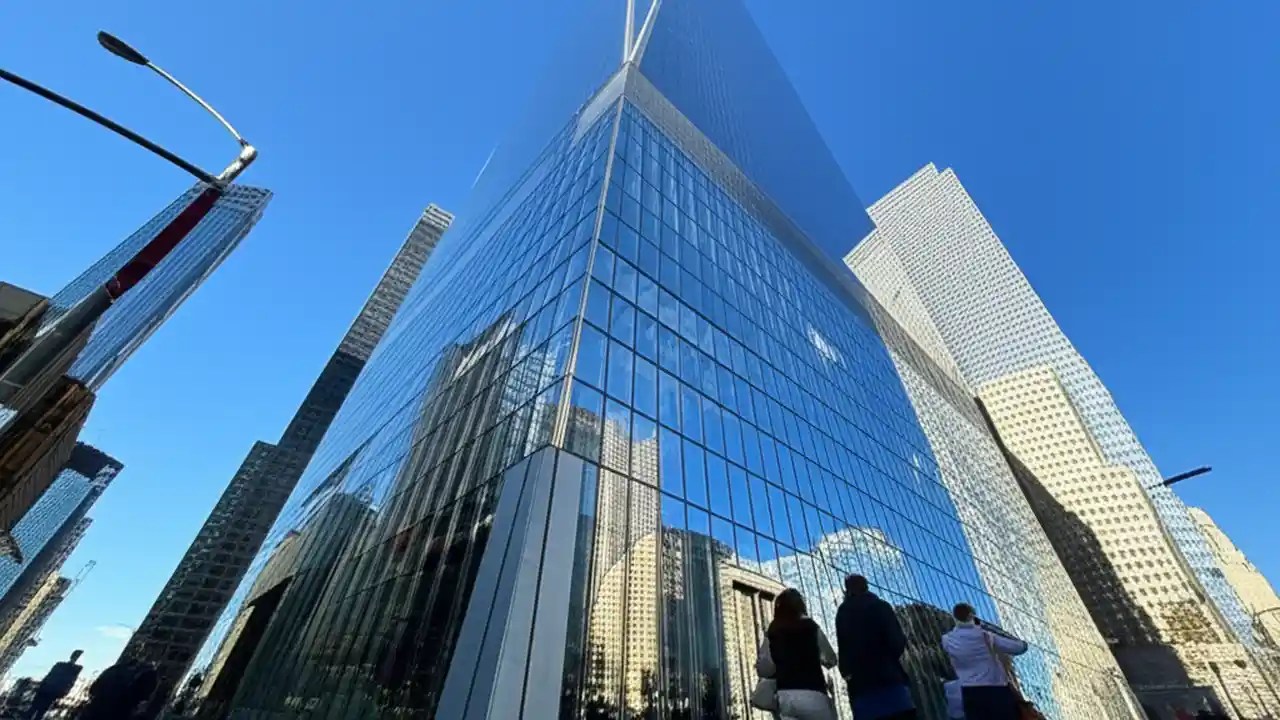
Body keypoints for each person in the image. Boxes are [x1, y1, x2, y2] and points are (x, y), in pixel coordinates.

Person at [834, 575, 916, 719]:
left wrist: (847, 672)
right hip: (891, 684)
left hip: (862, 689)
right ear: (867, 586)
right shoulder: (881, 606)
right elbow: (897, 641)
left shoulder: (843, 612)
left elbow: (844, 649)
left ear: (847, 589)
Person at [756, 588, 838, 720]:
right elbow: (831, 659)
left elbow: (765, 669)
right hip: (815, 696)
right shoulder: (811, 626)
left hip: (787, 697)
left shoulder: (774, 629)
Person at [941, 603, 1029, 720]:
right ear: (972, 615)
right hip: (996, 690)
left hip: (969, 692)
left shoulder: (947, 640)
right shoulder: (985, 636)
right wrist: (983, 626)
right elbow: (1019, 648)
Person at [79, 657, 159, 720]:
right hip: (118, 713)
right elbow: (143, 700)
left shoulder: (115, 668)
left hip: (94, 710)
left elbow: (93, 689)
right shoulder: (149, 675)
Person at [26, 650, 83, 719]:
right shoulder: (61, 665)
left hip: (52, 691)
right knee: (35, 708)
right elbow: (50, 675)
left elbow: (71, 681)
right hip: (47, 689)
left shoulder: (74, 669)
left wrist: (64, 692)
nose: (76, 658)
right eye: (76, 655)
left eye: (77, 656)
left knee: (40, 711)